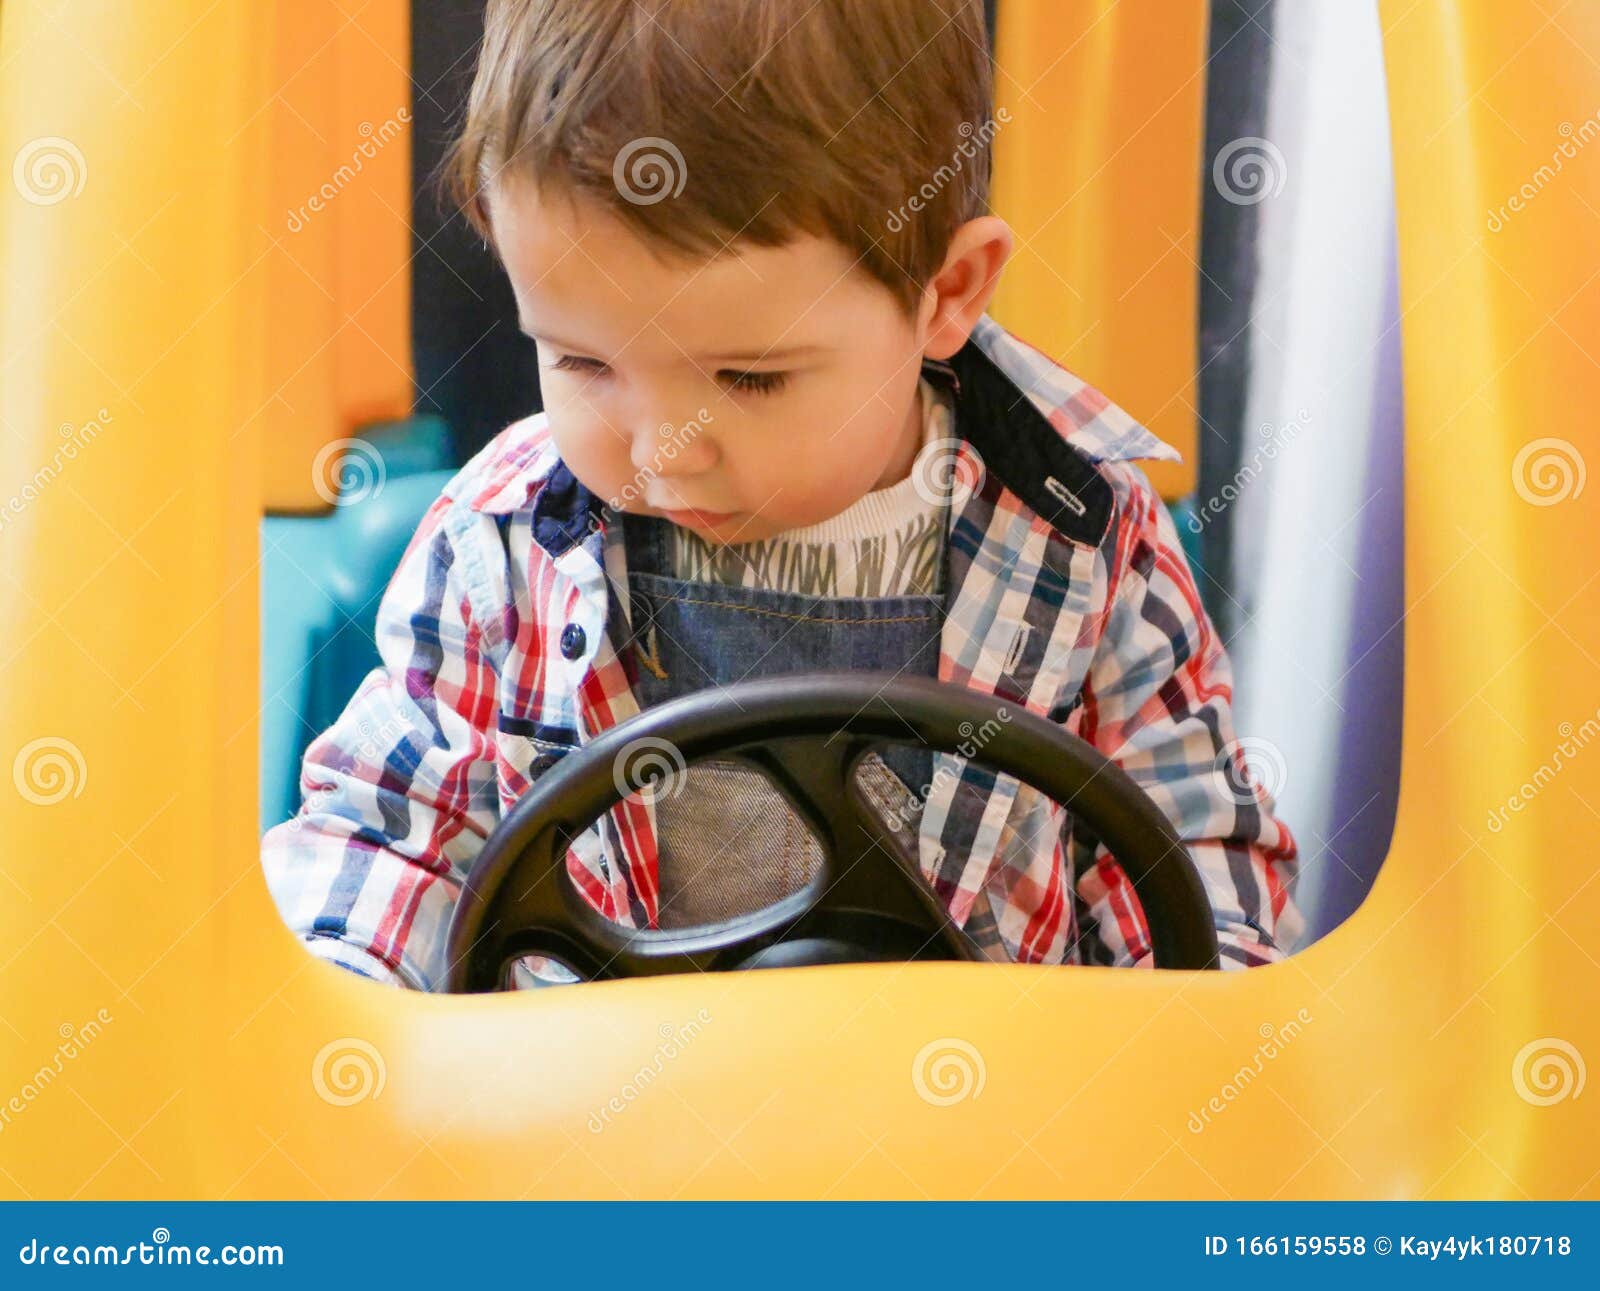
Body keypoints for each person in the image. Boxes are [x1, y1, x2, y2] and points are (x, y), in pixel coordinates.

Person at [261, 0, 1303, 990]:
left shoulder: (1085, 542)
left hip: (967, 1145)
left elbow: (1193, 855)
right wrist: (346, 1005)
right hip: (601, 1140)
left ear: (945, 293)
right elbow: (389, 840)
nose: (664, 454)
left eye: (750, 379)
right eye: (581, 362)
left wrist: (1183, 1069)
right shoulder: (499, 547)